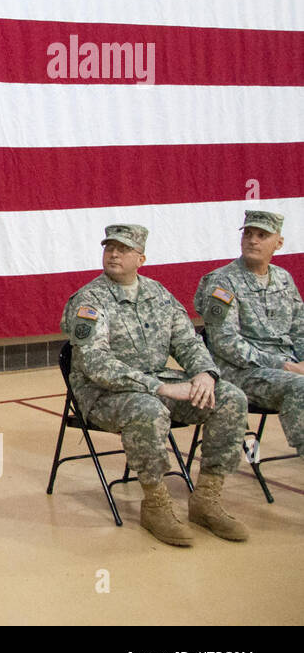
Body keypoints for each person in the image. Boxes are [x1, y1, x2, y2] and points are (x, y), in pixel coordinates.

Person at [60, 224, 249, 546]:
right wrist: (159, 388)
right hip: (105, 393)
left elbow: (188, 342)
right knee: (147, 409)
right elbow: (95, 364)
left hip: (157, 382)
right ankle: (156, 504)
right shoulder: (89, 301)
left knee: (230, 397)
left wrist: (205, 373)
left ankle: (207, 498)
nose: (114, 254)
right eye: (110, 248)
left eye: (123, 249)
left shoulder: (158, 293)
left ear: (141, 258)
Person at [194, 211, 304, 458]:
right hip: (240, 372)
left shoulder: (283, 279)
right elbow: (225, 343)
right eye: (248, 234)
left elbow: (300, 329)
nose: (252, 240)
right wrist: (284, 365)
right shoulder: (222, 282)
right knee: (301, 386)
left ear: (278, 243)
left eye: (262, 235)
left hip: (282, 369)